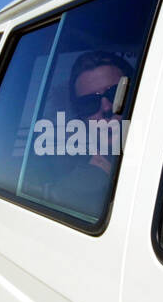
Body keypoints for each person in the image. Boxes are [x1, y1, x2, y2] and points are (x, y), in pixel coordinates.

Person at [48, 51, 131, 215]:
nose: (106, 108)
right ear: (79, 116)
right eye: (89, 103)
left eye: (116, 94)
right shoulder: (71, 193)